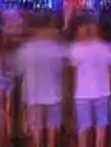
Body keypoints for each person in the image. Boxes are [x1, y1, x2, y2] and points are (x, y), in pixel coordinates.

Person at [13, 13, 67, 147]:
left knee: (36, 129)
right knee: (52, 130)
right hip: (54, 95)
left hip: (34, 96)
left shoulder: (26, 50)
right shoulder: (56, 49)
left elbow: (18, 70)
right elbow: (62, 70)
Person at [68, 16, 111, 147]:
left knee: (83, 129)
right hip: (103, 92)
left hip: (82, 94)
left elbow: (73, 69)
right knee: (101, 128)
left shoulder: (76, 48)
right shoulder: (105, 47)